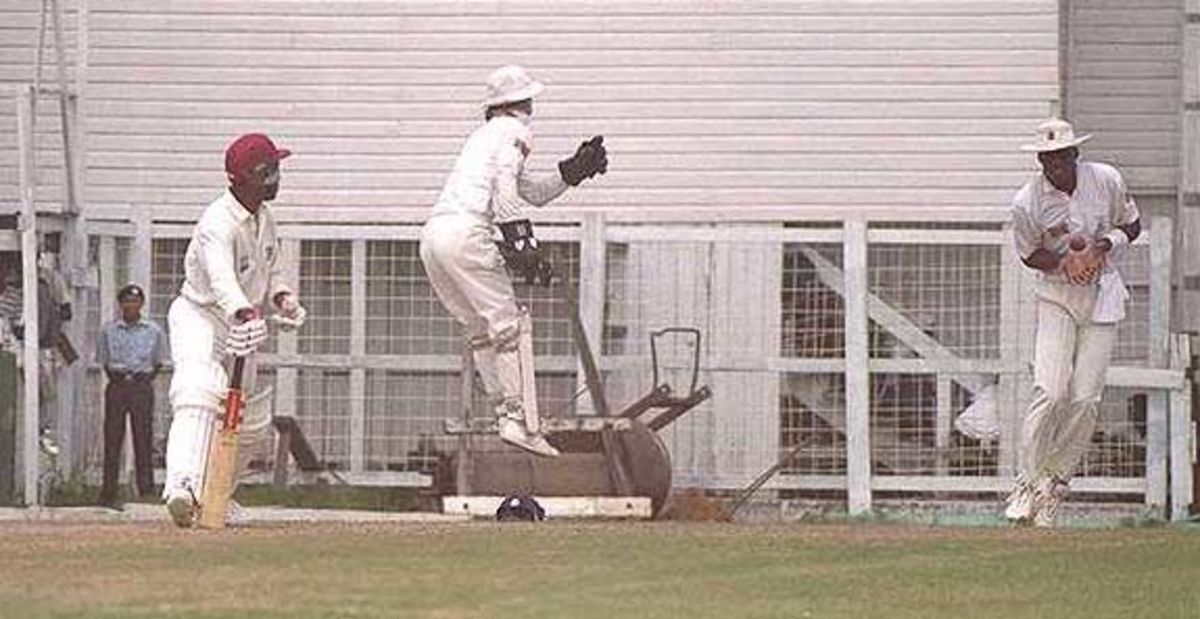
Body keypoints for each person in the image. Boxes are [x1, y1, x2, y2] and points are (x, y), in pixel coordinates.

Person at [419, 65, 607, 457]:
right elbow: (507, 186)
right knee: (509, 325)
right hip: (468, 234)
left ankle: (506, 414)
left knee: (480, 330)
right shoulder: (513, 131)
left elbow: (532, 192)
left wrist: (573, 171)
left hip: (434, 236)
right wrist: (521, 240)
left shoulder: (482, 138)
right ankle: (520, 421)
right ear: (519, 102)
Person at [161, 133, 307, 527]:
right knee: (199, 388)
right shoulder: (216, 223)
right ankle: (182, 487)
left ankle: (215, 495)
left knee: (249, 421)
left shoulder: (264, 218)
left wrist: (282, 299)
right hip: (202, 316)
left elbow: (270, 268)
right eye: (269, 171)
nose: (277, 178)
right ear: (245, 177)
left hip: (246, 322)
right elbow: (222, 279)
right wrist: (244, 312)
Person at [1005, 118, 1142, 527]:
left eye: (1061, 158)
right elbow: (1030, 254)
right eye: (1047, 160)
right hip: (1057, 297)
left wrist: (1101, 246)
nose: (1055, 167)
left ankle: (1053, 484)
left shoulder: (1106, 180)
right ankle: (1026, 482)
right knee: (1050, 390)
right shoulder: (1026, 202)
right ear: (1041, 161)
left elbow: (1131, 225)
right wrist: (1066, 263)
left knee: (1085, 399)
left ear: (1075, 154)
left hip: (1102, 297)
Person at [95, 283, 169, 507]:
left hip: (141, 384)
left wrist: (142, 378)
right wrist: (119, 377)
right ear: (120, 304)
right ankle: (108, 492)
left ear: (142, 304)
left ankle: (146, 488)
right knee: (113, 437)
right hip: (117, 385)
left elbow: (158, 362)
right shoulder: (109, 330)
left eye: (135, 301)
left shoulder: (153, 331)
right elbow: (104, 361)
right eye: (127, 301)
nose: (131, 306)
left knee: (143, 436)